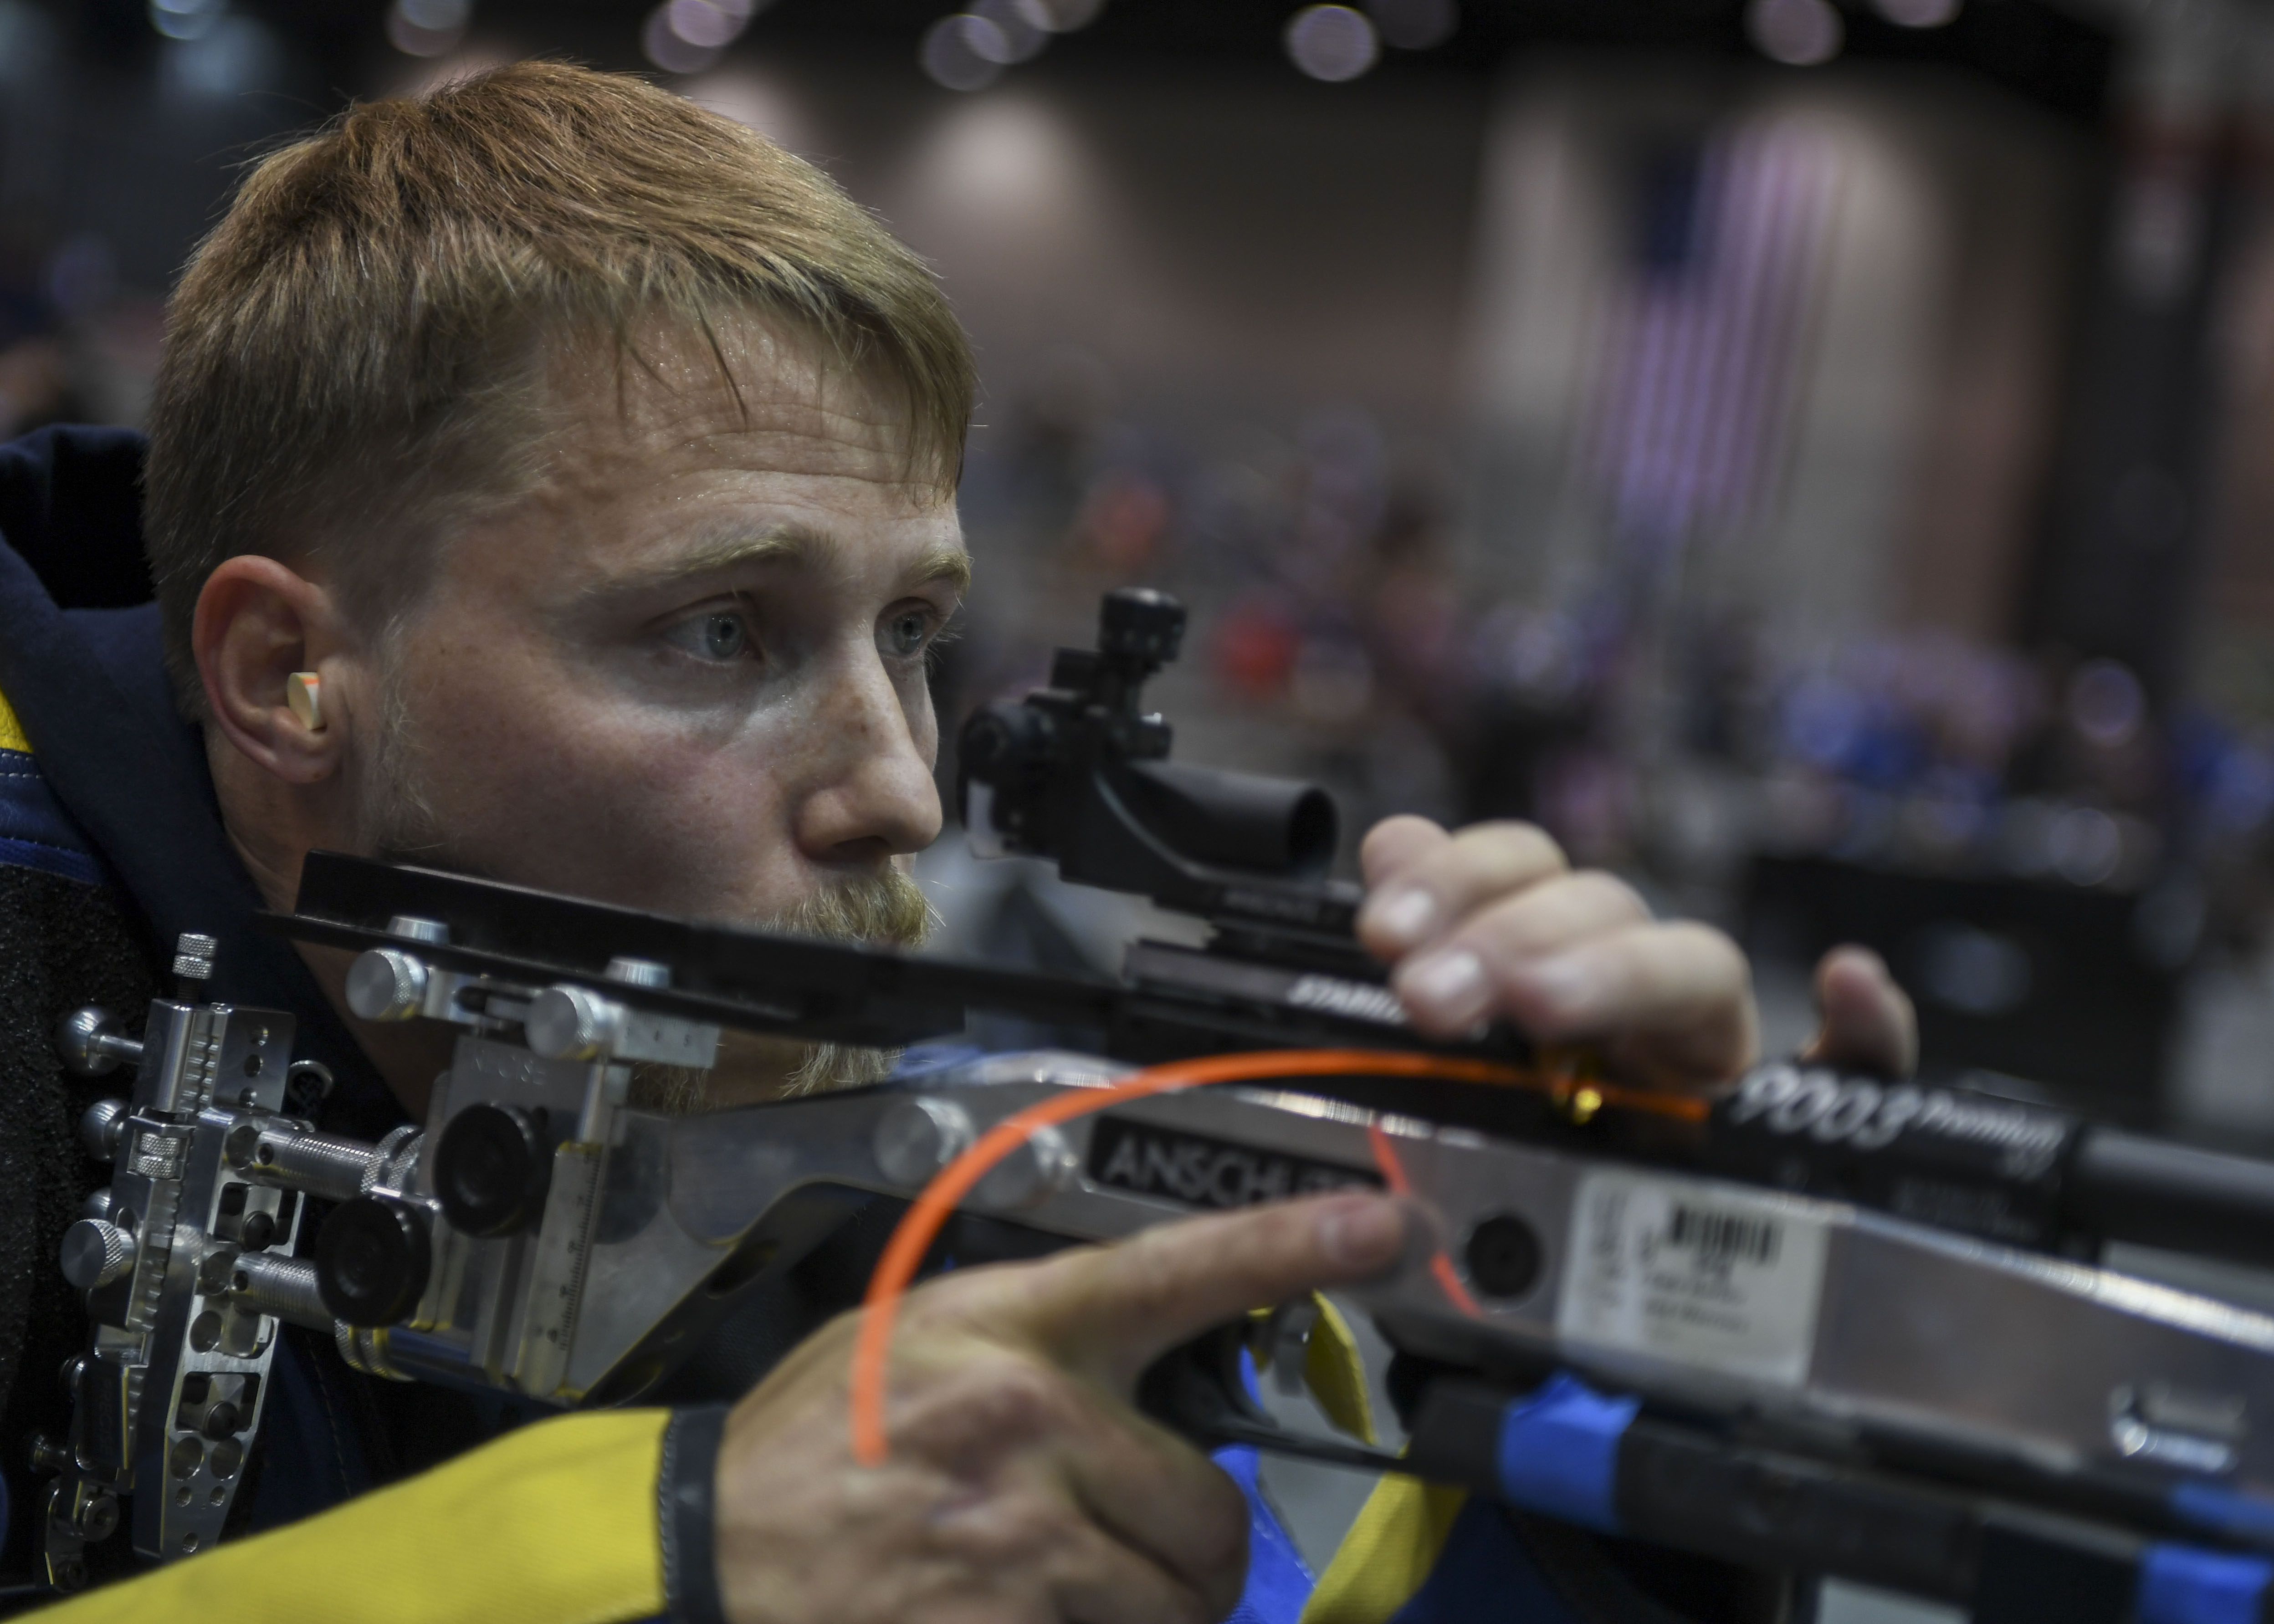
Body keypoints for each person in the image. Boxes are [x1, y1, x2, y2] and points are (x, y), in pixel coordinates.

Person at [0, 62, 1915, 1622]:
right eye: (723, 630)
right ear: (284, 675)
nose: (901, 784)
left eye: (912, 631)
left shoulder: (875, 1141)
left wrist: (1597, 1433)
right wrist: (657, 1550)